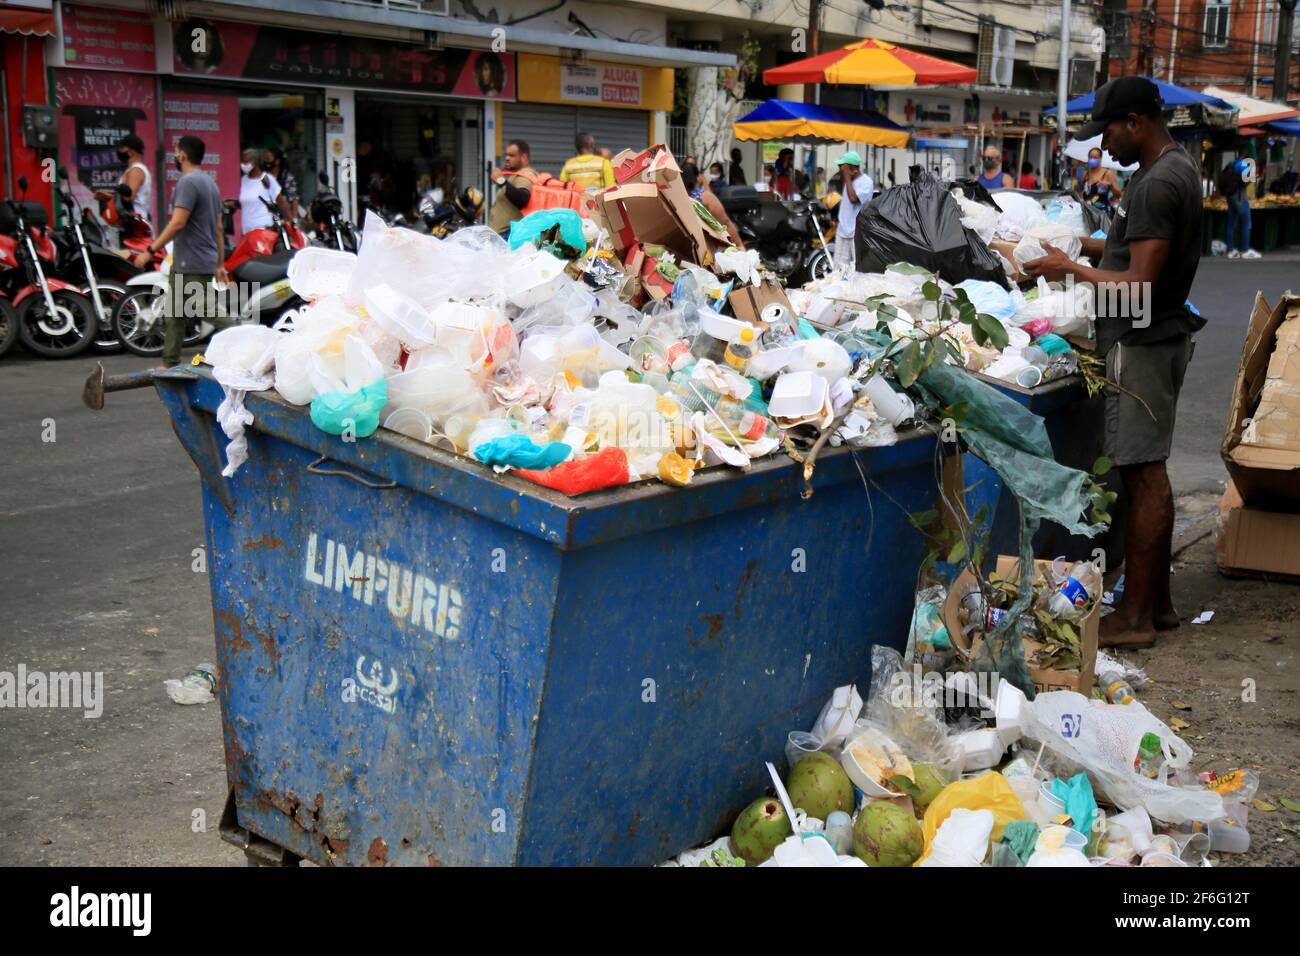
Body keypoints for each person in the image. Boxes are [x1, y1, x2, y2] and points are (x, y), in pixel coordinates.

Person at [1024, 76, 1205, 648]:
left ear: (1135, 122)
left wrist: (1069, 272)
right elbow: (1136, 250)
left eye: (1107, 132)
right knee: (1150, 470)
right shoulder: (1172, 169)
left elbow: (1138, 285)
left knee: (1144, 475)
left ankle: (1135, 619)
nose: (1103, 147)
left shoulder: (1156, 184)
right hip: (1160, 335)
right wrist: (1075, 248)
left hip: (1142, 340)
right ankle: (1161, 606)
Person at [133, 135, 232, 368]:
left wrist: (150, 250)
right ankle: (169, 363)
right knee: (175, 312)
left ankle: (243, 335)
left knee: (207, 311)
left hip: (192, 261)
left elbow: (178, 223)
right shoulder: (211, 184)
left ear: (183, 155)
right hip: (194, 259)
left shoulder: (187, 183)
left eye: (176, 151)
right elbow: (219, 227)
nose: (175, 156)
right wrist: (219, 263)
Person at [680, 161, 744, 249]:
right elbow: (726, 223)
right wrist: (740, 245)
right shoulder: (705, 198)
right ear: (698, 177)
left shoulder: (675, 198)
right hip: (708, 250)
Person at [95, 133, 152, 225]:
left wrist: (108, 197)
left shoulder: (136, 170)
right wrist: (108, 196)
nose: (119, 151)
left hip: (135, 226)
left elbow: (128, 198)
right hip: (132, 225)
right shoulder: (134, 169)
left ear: (131, 151)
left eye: (122, 148)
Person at [233, 147, 290, 235]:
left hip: (264, 232)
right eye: (242, 162)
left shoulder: (266, 179)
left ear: (255, 162)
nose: (243, 165)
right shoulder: (243, 180)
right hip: (247, 232)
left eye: (246, 162)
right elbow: (247, 202)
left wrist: (291, 223)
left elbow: (282, 203)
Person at [832, 151, 872, 271]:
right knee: (838, 270)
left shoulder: (866, 182)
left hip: (856, 233)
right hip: (842, 231)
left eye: (842, 167)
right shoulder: (848, 182)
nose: (840, 170)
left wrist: (848, 178)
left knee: (856, 270)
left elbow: (854, 199)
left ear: (851, 167)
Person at [488, 139, 536, 234]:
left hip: (509, 235)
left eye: (511, 155)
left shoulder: (526, 174)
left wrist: (500, 180)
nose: (507, 158)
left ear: (524, 157)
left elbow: (522, 199)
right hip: (504, 234)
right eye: (506, 155)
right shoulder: (516, 175)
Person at [1218, 156, 1260, 259]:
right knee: (1246, 222)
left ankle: (1230, 250)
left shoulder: (1233, 163)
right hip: (1240, 196)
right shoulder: (1244, 165)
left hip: (1230, 196)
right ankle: (1245, 250)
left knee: (1231, 223)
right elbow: (1247, 181)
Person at [262, 146, 300, 222]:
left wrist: (294, 220)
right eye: (265, 159)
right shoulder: (263, 176)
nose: (266, 162)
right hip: (266, 216)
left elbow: (294, 199)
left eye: (268, 159)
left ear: (277, 161)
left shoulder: (287, 177)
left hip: (284, 216)